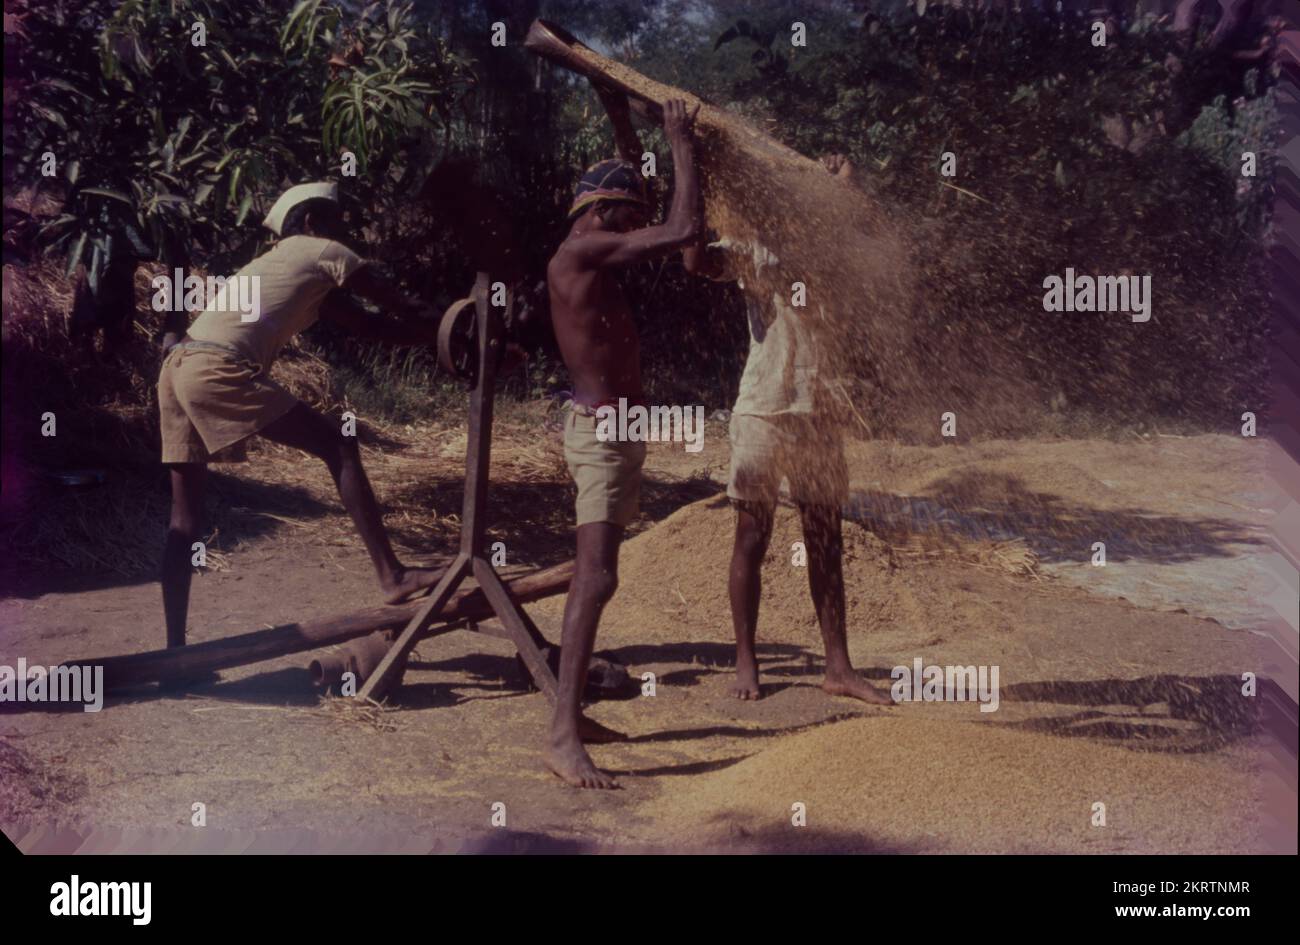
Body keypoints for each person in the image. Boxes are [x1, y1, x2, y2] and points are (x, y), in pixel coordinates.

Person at [157, 182, 443, 651]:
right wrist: (453, 320)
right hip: (216, 367)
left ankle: (174, 652)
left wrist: (436, 336)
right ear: (312, 222)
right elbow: (401, 305)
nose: (343, 233)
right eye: (336, 222)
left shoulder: (283, 267)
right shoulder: (321, 250)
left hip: (177, 366)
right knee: (340, 445)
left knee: (184, 518)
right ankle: (393, 576)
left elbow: (371, 326)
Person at [683, 155, 892, 706]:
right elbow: (695, 261)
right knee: (752, 536)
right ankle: (746, 658)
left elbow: (870, 227)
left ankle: (838, 666)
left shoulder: (837, 255)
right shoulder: (757, 249)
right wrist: (694, 177)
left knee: (826, 540)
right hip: (765, 409)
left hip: (820, 414)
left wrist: (851, 182)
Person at [544, 98, 702, 788]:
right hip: (603, 431)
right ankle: (560, 734)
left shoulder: (593, 245)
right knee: (597, 575)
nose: (637, 231)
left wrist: (624, 118)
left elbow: (650, 202)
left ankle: (571, 716)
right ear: (603, 213)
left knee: (599, 574)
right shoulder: (580, 249)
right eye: (629, 217)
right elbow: (685, 226)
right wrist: (682, 141)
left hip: (618, 427)